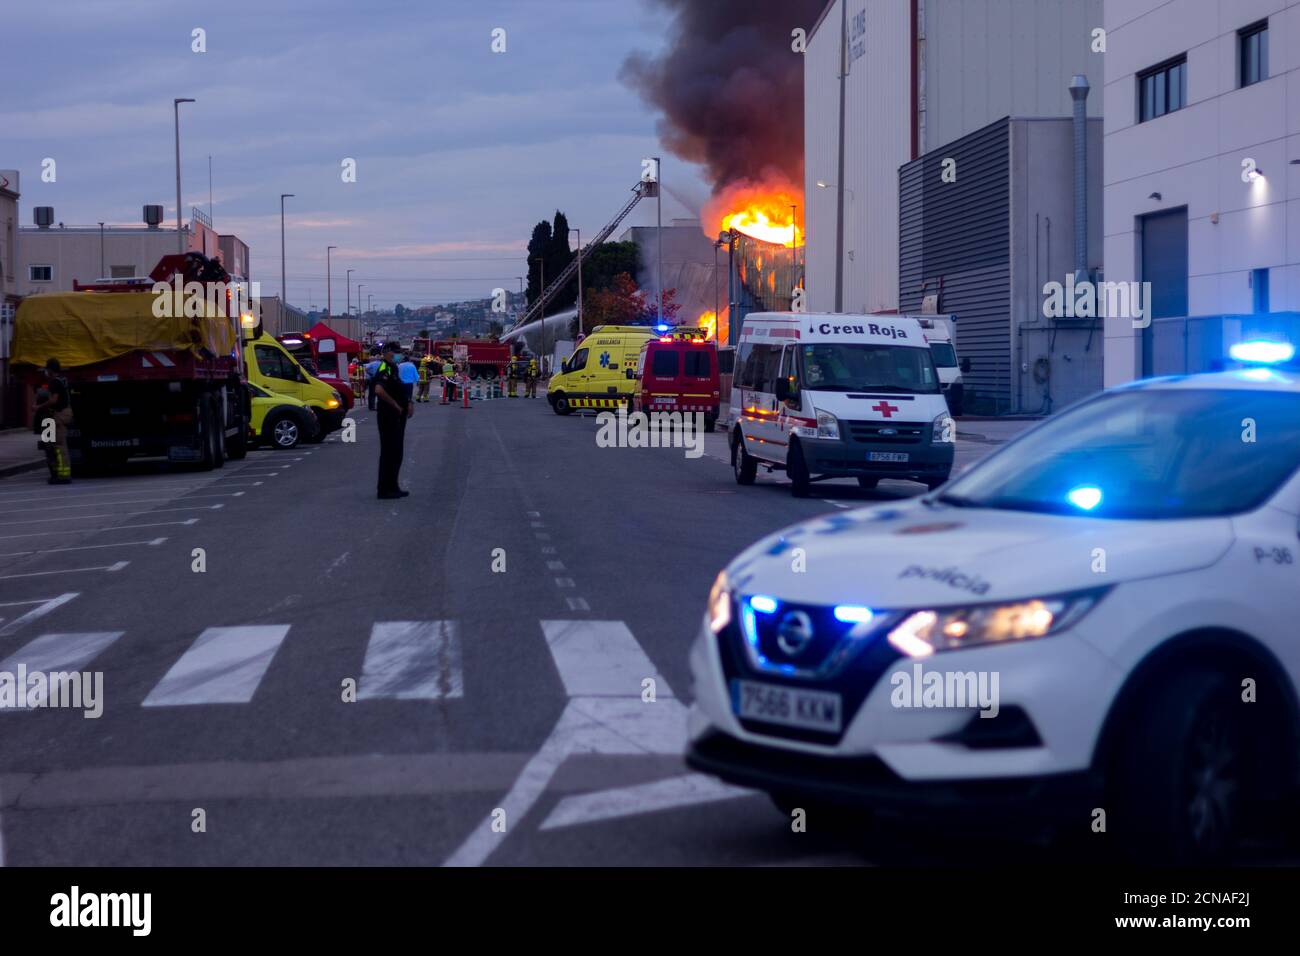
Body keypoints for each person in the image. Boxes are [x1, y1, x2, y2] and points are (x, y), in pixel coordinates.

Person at [372, 342, 413, 499]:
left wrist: (408, 402)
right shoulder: (384, 368)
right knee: (389, 452)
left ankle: (393, 486)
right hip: (388, 416)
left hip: (397, 416)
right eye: (396, 352)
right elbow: (379, 390)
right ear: (387, 353)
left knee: (397, 453)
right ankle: (384, 489)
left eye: (400, 352)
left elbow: (400, 388)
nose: (398, 355)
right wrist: (396, 405)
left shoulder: (394, 368)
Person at [33, 358, 73, 484]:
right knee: (53, 445)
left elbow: (54, 400)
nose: (46, 371)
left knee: (59, 446)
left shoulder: (54, 382)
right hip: (59, 414)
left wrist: (38, 407)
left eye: (47, 369)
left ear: (50, 370)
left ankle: (63, 476)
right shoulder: (62, 380)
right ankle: (57, 474)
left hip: (59, 415)